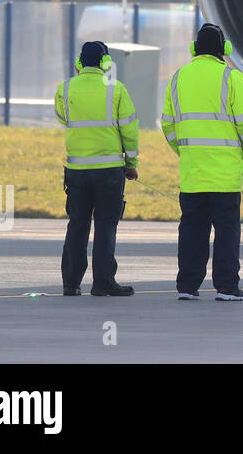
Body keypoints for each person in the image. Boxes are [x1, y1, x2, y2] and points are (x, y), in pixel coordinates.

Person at [161, 23, 243, 301]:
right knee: (226, 230)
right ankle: (227, 287)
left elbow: (168, 125)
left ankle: (187, 287)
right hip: (225, 174)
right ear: (224, 49)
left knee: (192, 229)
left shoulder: (179, 77)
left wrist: (185, 152)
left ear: (194, 49)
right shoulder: (233, 79)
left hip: (192, 173)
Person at [54, 40, 138, 297]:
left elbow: (62, 117)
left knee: (77, 225)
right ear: (105, 63)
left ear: (79, 62)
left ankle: (71, 283)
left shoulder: (65, 88)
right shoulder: (116, 89)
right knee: (105, 226)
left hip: (77, 170)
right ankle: (103, 282)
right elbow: (130, 130)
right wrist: (131, 164)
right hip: (110, 171)